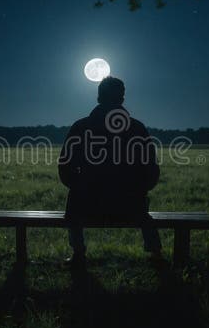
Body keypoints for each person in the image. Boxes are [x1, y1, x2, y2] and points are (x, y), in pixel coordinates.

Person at [58, 76, 162, 267]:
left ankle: (78, 253)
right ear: (122, 99)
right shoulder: (137, 128)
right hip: (130, 206)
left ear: (98, 98)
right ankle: (156, 253)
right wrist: (139, 190)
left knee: (73, 202)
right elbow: (152, 169)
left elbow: (65, 167)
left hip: (87, 205)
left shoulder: (81, 127)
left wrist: (80, 186)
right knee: (143, 210)